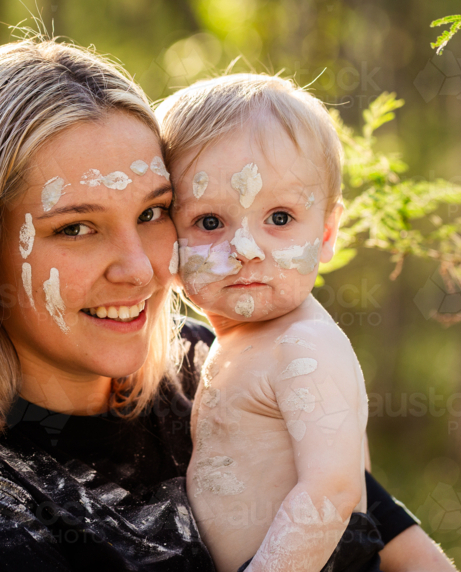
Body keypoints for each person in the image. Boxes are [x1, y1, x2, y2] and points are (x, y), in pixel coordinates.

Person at [0, 37, 456, 572]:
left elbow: (393, 542)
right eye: (76, 227)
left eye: (153, 213)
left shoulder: (207, 365)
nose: (138, 268)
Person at [158, 74, 380, 572]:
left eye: (279, 218)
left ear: (325, 234)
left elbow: (334, 487)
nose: (245, 250)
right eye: (210, 222)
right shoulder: (235, 342)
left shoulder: (306, 345)